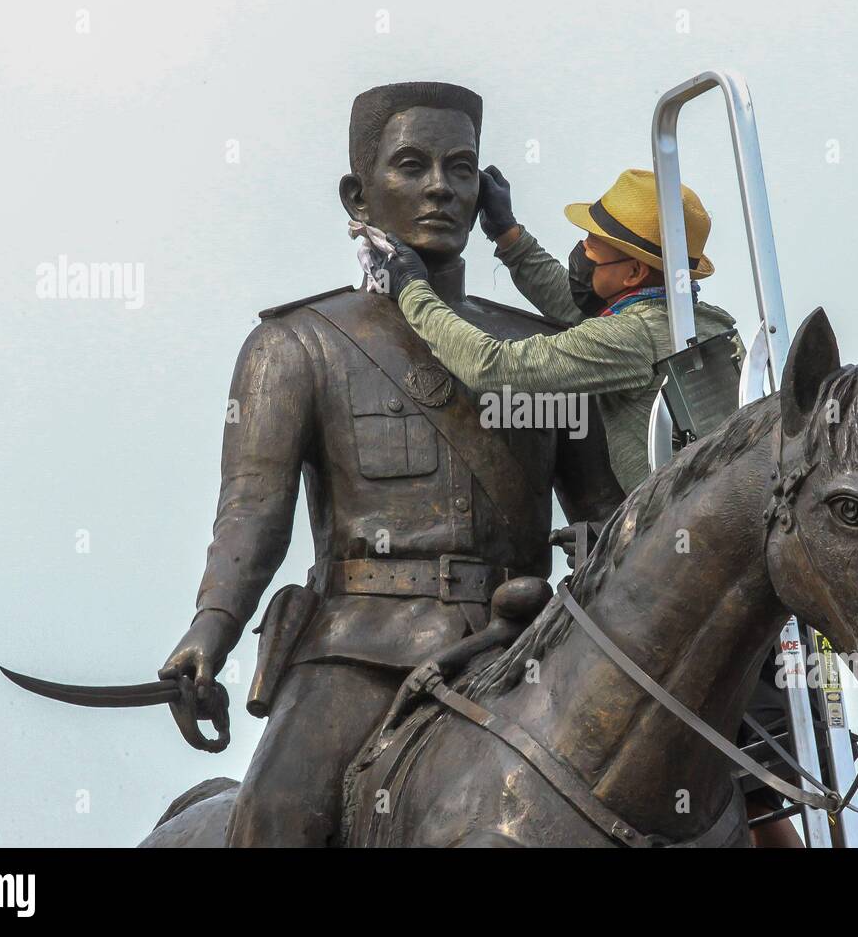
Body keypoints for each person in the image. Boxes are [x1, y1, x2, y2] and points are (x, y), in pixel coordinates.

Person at [156, 81, 623, 847]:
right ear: (358, 194)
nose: (440, 186)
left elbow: (605, 517)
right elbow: (252, 513)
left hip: (524, 653)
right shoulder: (296, 345)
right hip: (356, 650)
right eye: (411, 165)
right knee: (278, 811)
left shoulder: (540, 354)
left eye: (461, 168)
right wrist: (212, 630)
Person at [380, 167, 743, 495]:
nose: (582, 254)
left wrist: (413, 288)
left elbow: (491, 366)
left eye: (592, 250)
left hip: (675, 530)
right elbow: (578, 311)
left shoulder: (633, 337)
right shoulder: (709, 322)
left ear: (633, 273)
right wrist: (509, 236)